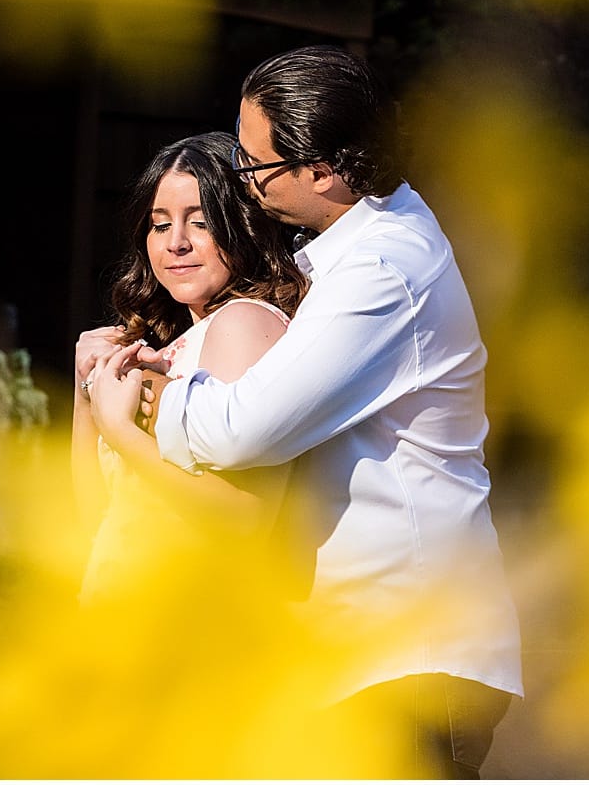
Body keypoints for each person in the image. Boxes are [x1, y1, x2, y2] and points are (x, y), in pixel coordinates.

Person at [87, 46, 523, 779]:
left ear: (321, 169)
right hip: (368, 656)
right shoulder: (357, 254)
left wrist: (135, 410)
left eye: (256, 168)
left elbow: (238, 432)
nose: (247, 186)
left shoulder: (383, 271)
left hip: (412, 654)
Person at [72, 132, 306, 603]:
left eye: (199, 223)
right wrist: (86, 396)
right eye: (160, 226)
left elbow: (244, 521)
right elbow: (98, 514)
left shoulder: (243, 325)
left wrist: (122, 432)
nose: (176, 243)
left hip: (187, 625)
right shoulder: (173, 342)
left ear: (244, 225)